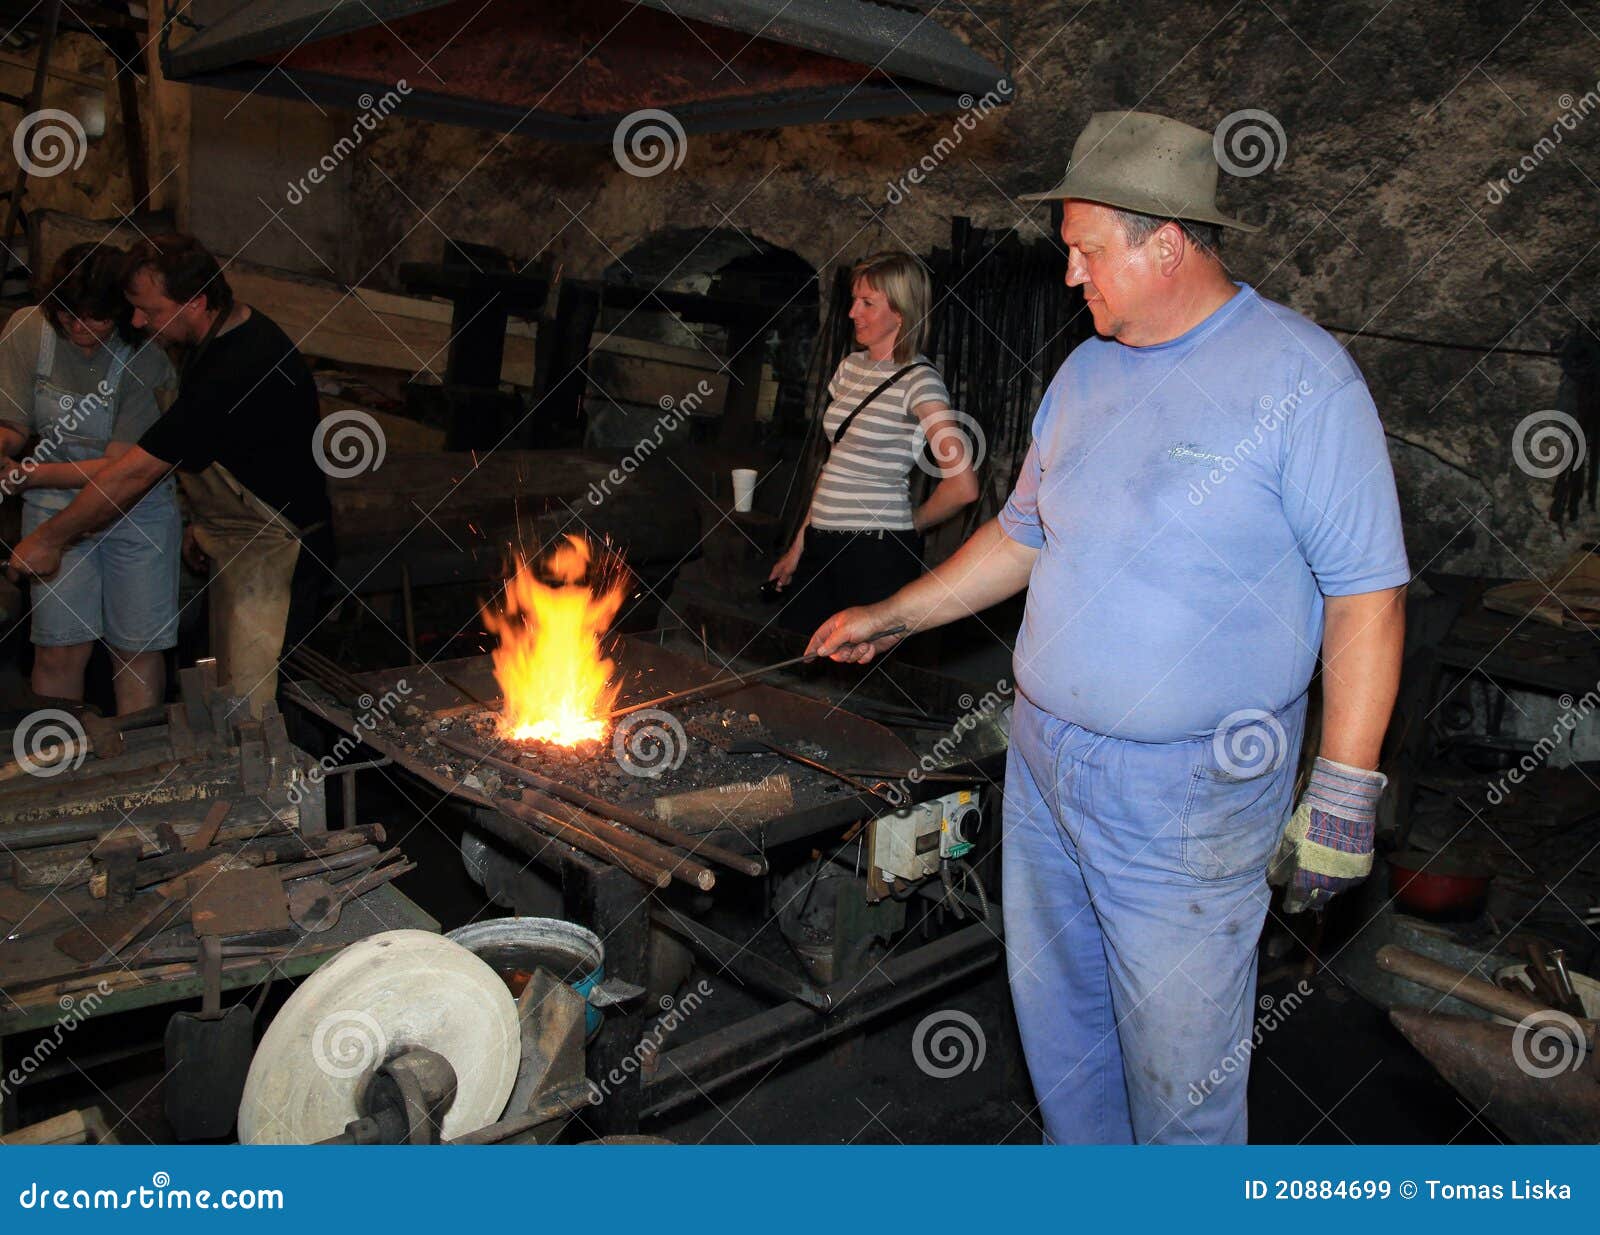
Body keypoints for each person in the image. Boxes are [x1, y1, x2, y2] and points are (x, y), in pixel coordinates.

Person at [809, 111, 1409, 1144]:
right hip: (1044, 770)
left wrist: (1344, 793)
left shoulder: (1302, 381)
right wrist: (892, 613)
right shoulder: (1086, 372)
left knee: (1180, 1093)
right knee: (1070, 1053)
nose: (1069, 276)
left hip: (1189, 796)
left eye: (1086, 251)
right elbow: (1024, 533)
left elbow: (1367, 596)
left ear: (1165, 243)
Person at [8, 235, 335, 717]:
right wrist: (205, 525)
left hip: (282, 553)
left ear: (196, 302)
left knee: (263, 711)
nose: (137, 321)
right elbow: (221, 456)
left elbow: (132, 475)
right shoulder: (214, 341)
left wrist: (51, 537)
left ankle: (291, 791)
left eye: (150, 310)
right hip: (239, 540)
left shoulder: (237, 366)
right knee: (216, 687)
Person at [0, 244, 180, 713]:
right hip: (51, 499)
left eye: (95, 319)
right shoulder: (27, 331)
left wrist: (28, 476)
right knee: (60, 646)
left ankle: (140, 771)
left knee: (135, 649)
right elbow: (15, 424)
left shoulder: (145, 355)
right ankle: (57, 766)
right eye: (68, 316)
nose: (79, 329)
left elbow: (121, 468)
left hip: (135, 508)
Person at [768, 252, 977, 634]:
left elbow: (963, 486)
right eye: (853, 301)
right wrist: (798, 549)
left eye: (867, 303)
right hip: (820, 545)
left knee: (855, 669)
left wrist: (912, 523)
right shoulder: (849, 367)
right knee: (802, 652)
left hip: (873, 552)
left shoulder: (920, 382)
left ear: (899, 312)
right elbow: (834, 465)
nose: (852, 313)